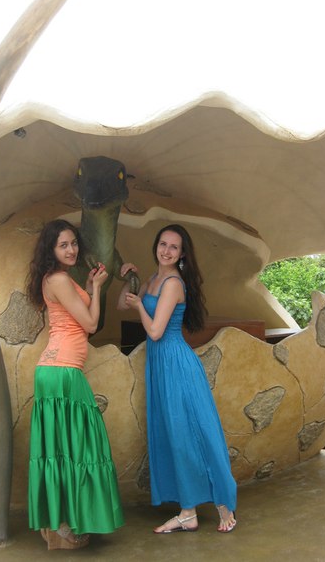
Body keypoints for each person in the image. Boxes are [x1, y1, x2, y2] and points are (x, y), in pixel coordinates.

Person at [118, 224, 237, 534]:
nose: (166, 250)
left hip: (176, 363)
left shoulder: (172, 284)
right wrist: (129, 279)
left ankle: (223, 503)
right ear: (156, 246)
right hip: (160, 365)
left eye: (174, 247)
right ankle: (187, 513)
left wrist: (139, 306)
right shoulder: (152, 279)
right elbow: (121, 305)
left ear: (182, 254)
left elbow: (155, 331)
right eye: (163, 244)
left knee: (195, 431)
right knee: (174, 435)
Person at [26, 219, 124, 550]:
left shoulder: (57, 278)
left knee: (65, 449)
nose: (71, 250)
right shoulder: (57, 279)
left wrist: (92, 285)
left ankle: (62, 521)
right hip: (62, 372)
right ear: (51, 250)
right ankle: (63, 523)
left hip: (59, 371)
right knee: (76, 448)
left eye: (73, 243)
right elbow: (91, 324)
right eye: (63, 245)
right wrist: (96, 289)